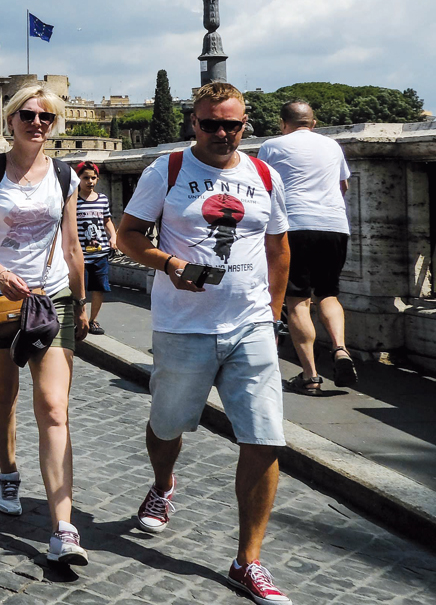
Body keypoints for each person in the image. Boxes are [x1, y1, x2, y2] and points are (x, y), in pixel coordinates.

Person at [117, 82, 293, 605]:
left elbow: (278, 248)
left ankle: (248, 561)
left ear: (245, 126)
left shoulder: (264, 174)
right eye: (210, 123)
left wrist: (274, 315)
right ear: (193, 124)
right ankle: (163, 483)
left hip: (251, 326)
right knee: (167, 424)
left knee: (264, 438)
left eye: (231, 125)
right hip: (183, 327)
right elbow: (128, 236)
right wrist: (170, 264)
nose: (221, 133)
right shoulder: (166, 170)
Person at [0, 84, 90, 567]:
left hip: (49, 297)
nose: (38, 123)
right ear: (11, 119)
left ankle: (62, 527)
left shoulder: (65, 175)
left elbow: (73, 245)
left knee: (55, 407)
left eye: (47, 118)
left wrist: (81, 302)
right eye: (29, 115)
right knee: (4, 396)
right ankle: (8, 474)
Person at [257, 100, 357, 394]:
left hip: (294, 227)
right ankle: (340, 348)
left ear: (282, 124)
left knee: (298, 300)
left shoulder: (272, 146)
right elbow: (344, 187)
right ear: (313, 123)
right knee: (329, 293)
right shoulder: (332, 146)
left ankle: (311, 376)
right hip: (334, 226)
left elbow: (265, 190)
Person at [75, 162, 115, 336]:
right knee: (80, 288)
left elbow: (107, 220)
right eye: (85, 178)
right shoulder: (72, 200)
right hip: (79, 254)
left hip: (100, 252)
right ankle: (80, 318)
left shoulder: (103, 199)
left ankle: (93, 320)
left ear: (97, 179)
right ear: (78, 179)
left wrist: (113, 236)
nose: (90, 181)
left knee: (99, 287)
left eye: (93, 178)